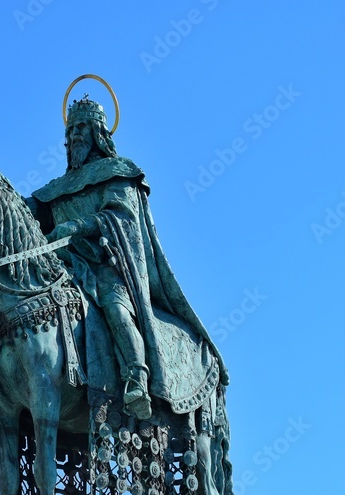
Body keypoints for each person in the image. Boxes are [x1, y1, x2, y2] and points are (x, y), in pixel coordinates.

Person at [28, 95, 227, 419]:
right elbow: (25, 214)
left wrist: (79, 225)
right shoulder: (56, 187)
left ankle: (137, 377)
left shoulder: (117, 172)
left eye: (82, 127)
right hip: (63, 266)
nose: (75, 134)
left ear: (98, 133)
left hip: (106, 266)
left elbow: (122, 217)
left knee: (116, 310)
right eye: (71, 128)